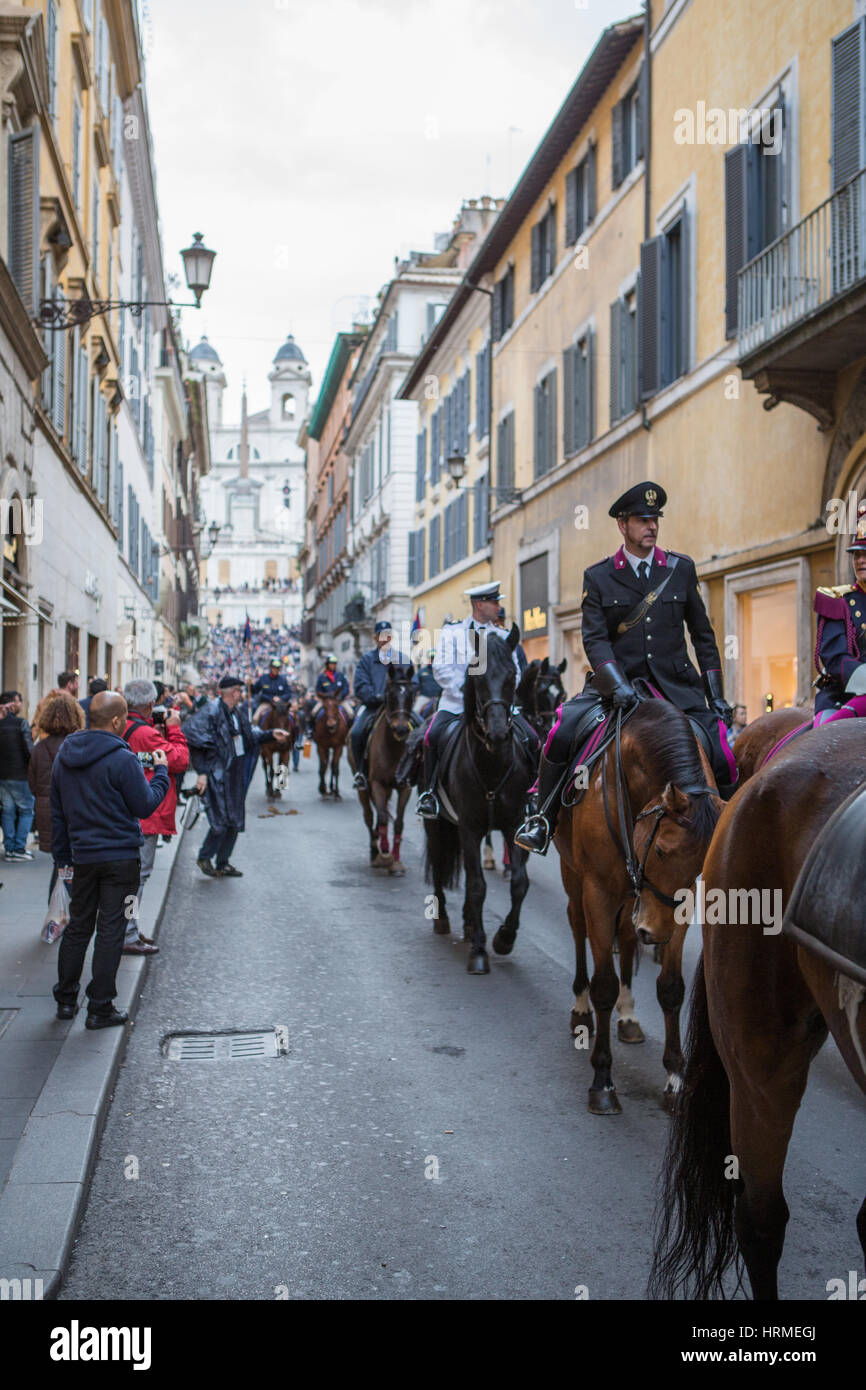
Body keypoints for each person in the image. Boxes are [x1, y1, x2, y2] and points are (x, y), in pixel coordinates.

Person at [515, 481, 736, 855]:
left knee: (723, 754)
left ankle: (731, 833)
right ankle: (543, 818)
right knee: (562, 731)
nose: (652, 526)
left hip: (677, 689)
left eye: (655, 519)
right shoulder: (599, 576)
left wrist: (716, 696)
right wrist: (616, 683)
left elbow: (703, 635)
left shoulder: (680, 568)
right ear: (623, 525)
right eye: (642, 520)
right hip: (617, 688)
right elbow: (595, 639)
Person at [50, 691, 170, 1029]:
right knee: (113, 929)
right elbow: (144, 805)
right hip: (123, 860)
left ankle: (65, 1000)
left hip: (83, 859)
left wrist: (63, 859)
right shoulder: (123, 759)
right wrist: (161, 772)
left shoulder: (64, 756)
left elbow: (57, 814)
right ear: (117, 721)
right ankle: (100, 1007)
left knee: (78, 927)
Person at [416, 581, 533, 819]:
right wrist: (467, 693)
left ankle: (532, 795)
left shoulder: (504, 636)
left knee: (532, 739)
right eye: (494, 602)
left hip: (498, 707)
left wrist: (500, 695)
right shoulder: (453, 632)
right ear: (479, 604)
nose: (498, 607)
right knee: (432, 736)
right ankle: (430, 793)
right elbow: (441, 668)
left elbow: (516, 672)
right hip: (457, 704)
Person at [182, 675, 291, 877]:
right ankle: (205, 856)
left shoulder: (237, 712)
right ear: (233, 692)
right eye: (240, 691)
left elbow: (248, 734)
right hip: (217, 773)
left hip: (235, 771)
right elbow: (194, 740)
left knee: (235, 818)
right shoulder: (211, 711)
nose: (242, 694)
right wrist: (202, 773)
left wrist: (270, 734)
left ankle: (223, 862)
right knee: (221, 819)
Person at [120, 680, 190, 955]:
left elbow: (144, 760)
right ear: (150, 705)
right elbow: (180, 760)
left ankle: (129, 928)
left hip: (124, 810)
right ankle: (127, 933)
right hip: (145, 815)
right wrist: (174, 729)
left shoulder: (121, 726)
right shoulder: (146, 734)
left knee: (132, 878)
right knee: (137, 878)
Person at [814, 502, 866, 724]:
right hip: (842, 696)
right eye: (856, 555)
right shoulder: (837, 601)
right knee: (823, 736)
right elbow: (835, 659)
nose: (861, 560)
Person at [27, 692, 82, 899]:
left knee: (58, 861)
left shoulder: (39, 748)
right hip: (72, 809)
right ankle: (66, 906)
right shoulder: (78, 745)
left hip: (46, 809)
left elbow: (32, 784)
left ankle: (57, 907)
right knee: (70, 861)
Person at [351, 621, 417, 790]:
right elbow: (360, 685)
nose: (384, 638)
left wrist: (404, 697)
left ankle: (420, 774)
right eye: (381, 635)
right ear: (375, 638)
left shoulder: (404, 659)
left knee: (424, 729)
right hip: (374, 706)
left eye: (387, 635)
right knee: (356, 733)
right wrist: (376, 697)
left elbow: (414, 683)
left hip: (400, 709)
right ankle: (361, 773)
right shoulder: (366, 660)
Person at [0, 691, 35, 861]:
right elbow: (29, 750)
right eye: (19, 701)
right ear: (13, 703)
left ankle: (9, 849)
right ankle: (19, 848)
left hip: (3, 775)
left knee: (8, 811)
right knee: (26, 810)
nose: (21, 705)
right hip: (20, 774)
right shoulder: (21, 723)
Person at [307, 655, 352, 734]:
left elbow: (346, 688)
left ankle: (350, 732)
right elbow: (318, 689)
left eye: (334, 664)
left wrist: (340, 696)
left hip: (339, 700)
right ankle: (311, 731)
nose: (333, 665)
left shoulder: (340, 675)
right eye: (331, 664)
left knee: (351, 713)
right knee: (313, 712)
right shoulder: (322, 677)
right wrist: (324, 696)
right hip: (326, 701)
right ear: (327, 665)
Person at [250, 658, 293, 725]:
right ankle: (255, 730)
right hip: (267, 704)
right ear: (270, 667)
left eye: (278, 668)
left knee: (293, 717)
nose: (276, 669)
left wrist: (280, 698)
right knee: (255, 718)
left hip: (281, 705)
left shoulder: (283, 680)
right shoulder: (263, 678)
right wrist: (250, 685)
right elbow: (255, 691)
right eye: (274, 667)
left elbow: (288, 694)